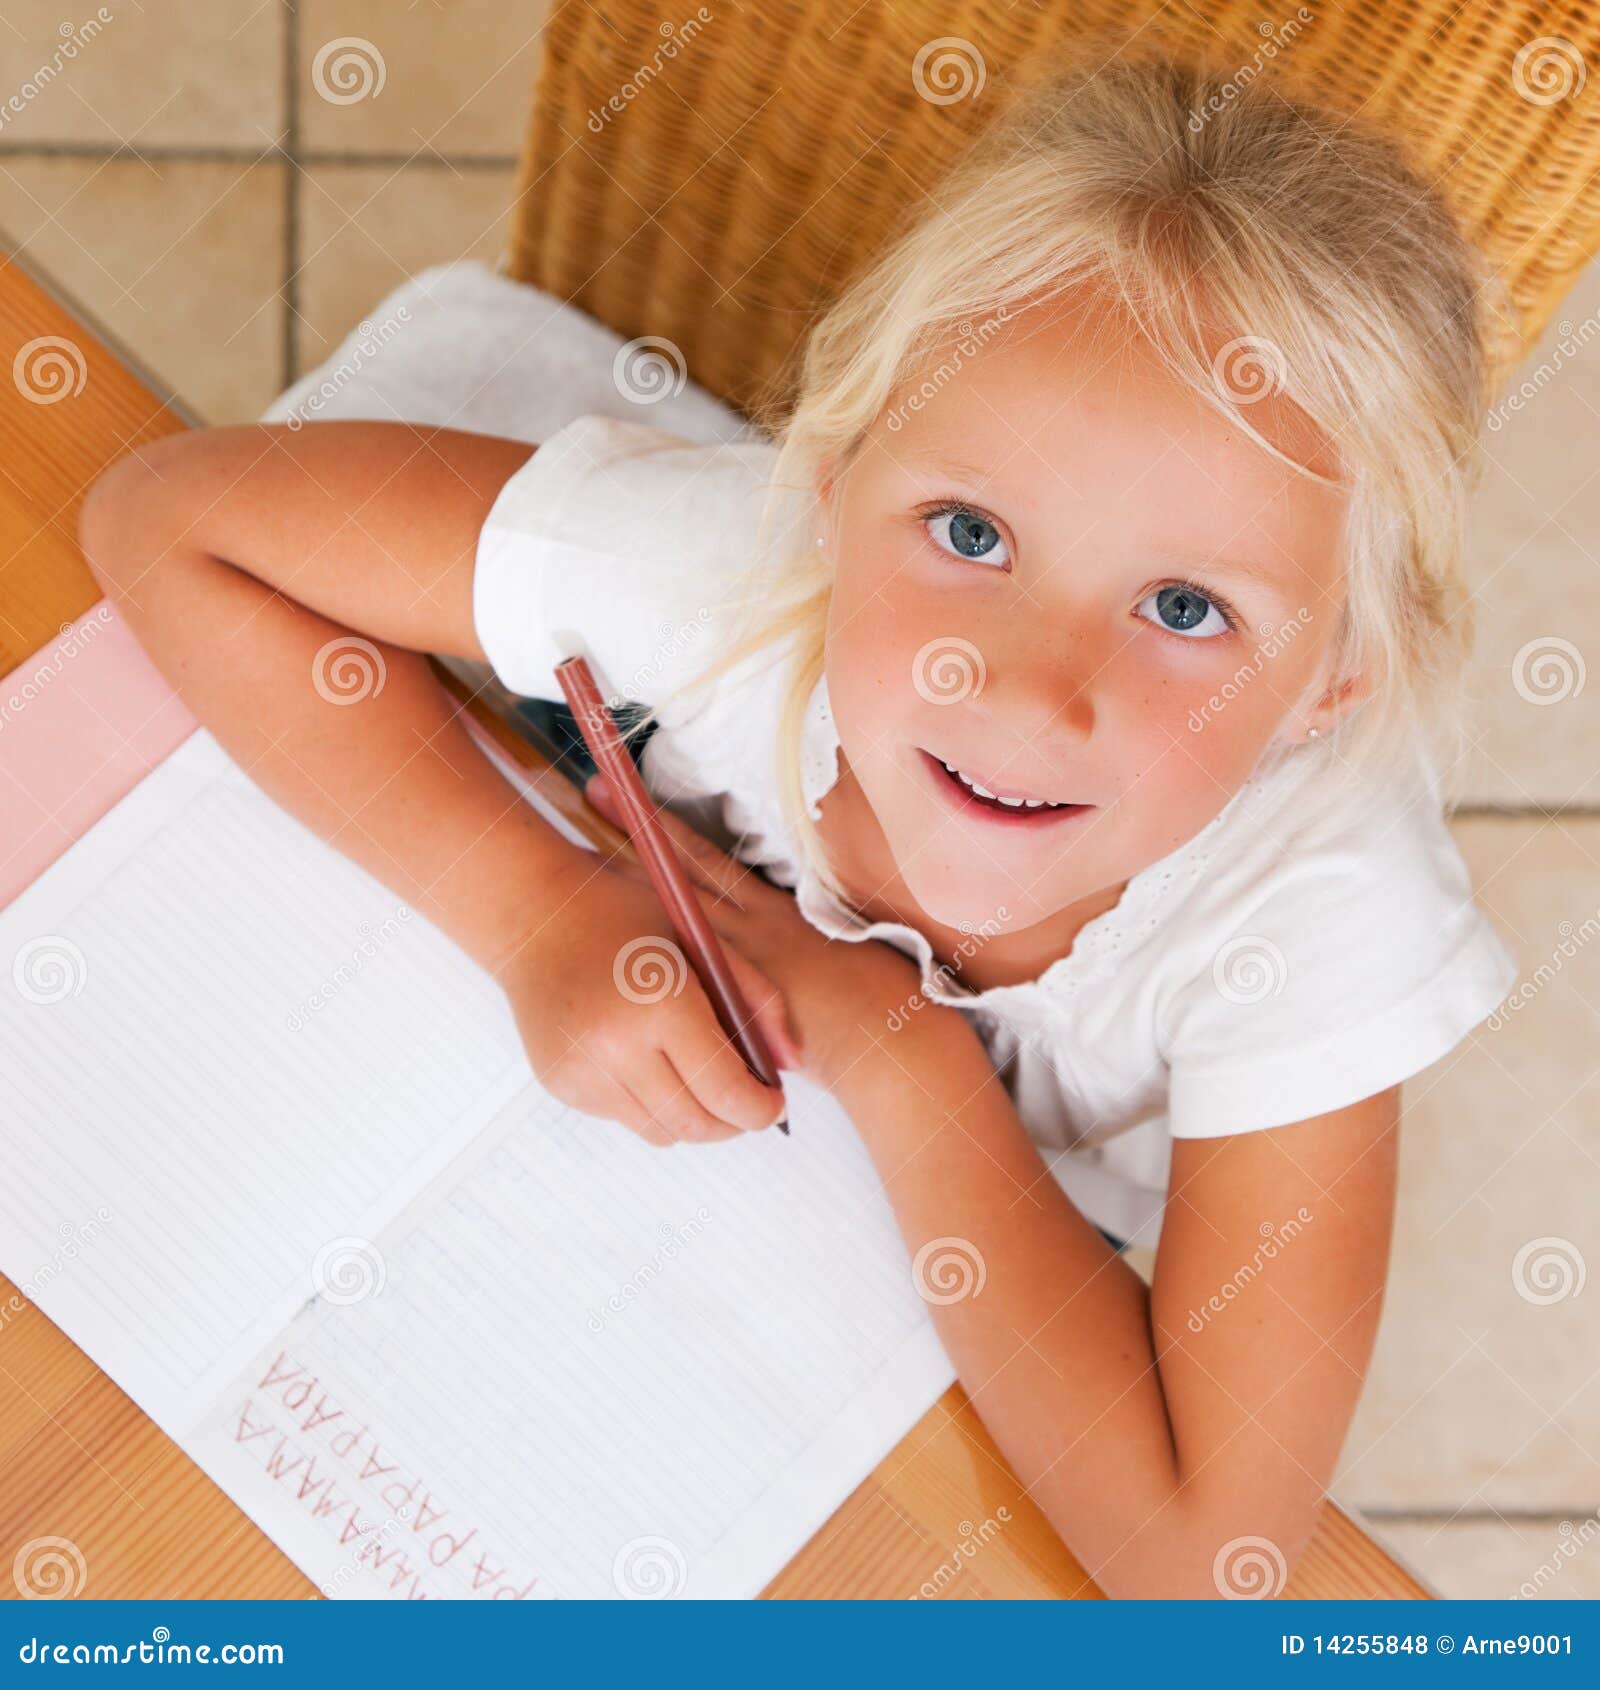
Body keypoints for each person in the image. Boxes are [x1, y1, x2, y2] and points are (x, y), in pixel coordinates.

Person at [79, 46, 1518, 1597]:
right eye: (970, 532)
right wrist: (534, 911)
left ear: (1329, 683)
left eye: (1185, 606)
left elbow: (1200, 1555)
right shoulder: (718, 574)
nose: (1027, 694)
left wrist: (901, 1051)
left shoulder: (1317, 913)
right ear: (830, 485)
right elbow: (164, 521)